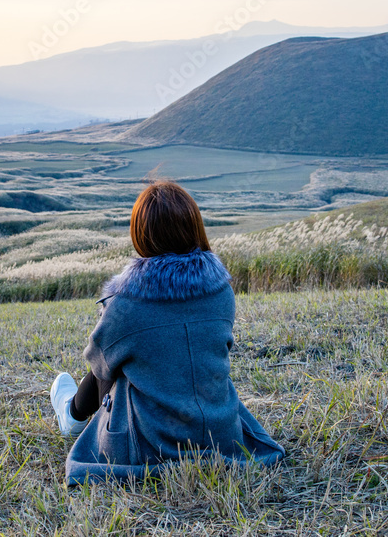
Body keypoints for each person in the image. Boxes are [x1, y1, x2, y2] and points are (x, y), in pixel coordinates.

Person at [49, 180, 286, 485]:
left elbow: (100, 368)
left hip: (150, 447)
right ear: (194, 226)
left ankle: (72, 415)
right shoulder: (221, 291)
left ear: (140, 234)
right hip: (220, 438)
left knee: (116, 364)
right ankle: (73, 414)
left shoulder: (126, 303)